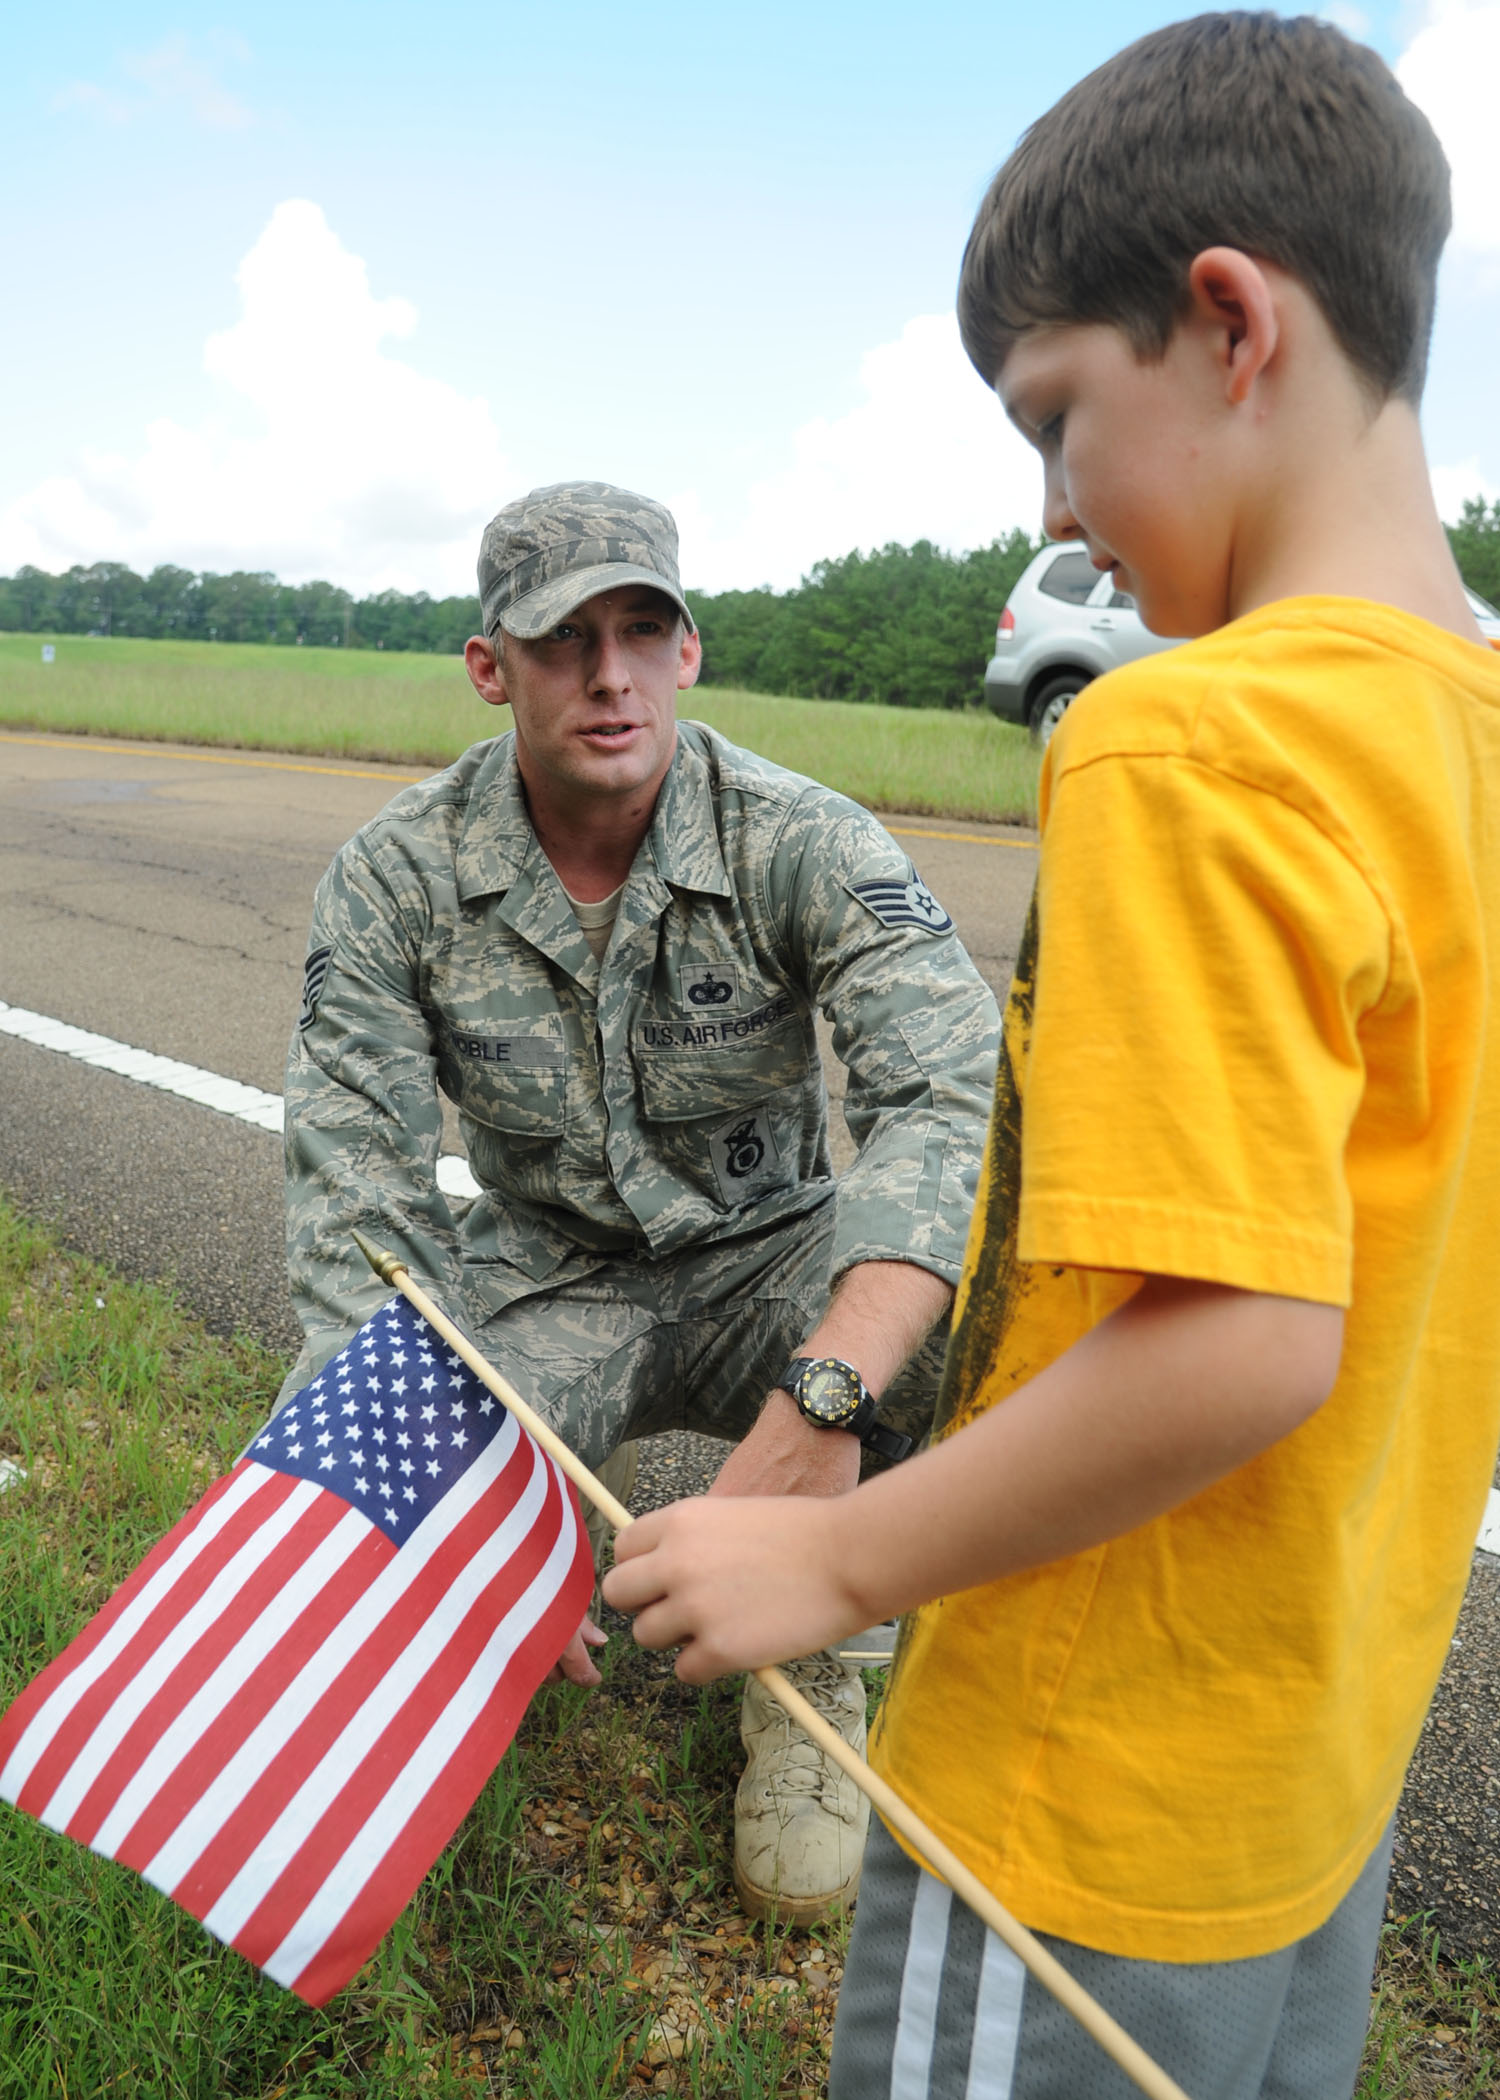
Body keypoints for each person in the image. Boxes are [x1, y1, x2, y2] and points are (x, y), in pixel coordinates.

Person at [603, 14, 1500, 2097]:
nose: (1059, 514)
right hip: (1311, 1757)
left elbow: (1243, 1339)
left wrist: (834, 1556)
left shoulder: (1189, 738)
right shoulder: (1463, 741)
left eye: (1058, 416)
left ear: (1231, 324)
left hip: (1079, 1789)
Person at [282, 479, 1000, 1925]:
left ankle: (819, 1652)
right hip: (543, 1279)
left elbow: (949, 1101)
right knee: (337, 1477)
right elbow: (359, 1202)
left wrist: (826, 1399)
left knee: (976, 1313)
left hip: (772, 1261)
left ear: (688, 650)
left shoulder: (798, 837)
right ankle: (503, 1576)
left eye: (640, 631)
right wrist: (455, 1508)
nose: (608, 675)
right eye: (563, 640)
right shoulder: (397, 877)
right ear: (491, 667)